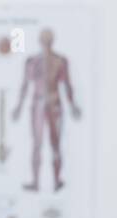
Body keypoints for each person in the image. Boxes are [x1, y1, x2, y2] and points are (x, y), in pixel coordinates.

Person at [13, 28, 81, 192]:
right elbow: (25, 85)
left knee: (55, 144)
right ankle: (36, 182)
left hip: (54, 104)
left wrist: (72, 105)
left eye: (48, 40)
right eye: (44, 40)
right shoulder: (32, 61)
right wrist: (18, 107)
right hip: (38, 104)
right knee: (37, 144)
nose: (46, 43)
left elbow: (67, 85)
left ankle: (56, 181)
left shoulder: (60, 61)